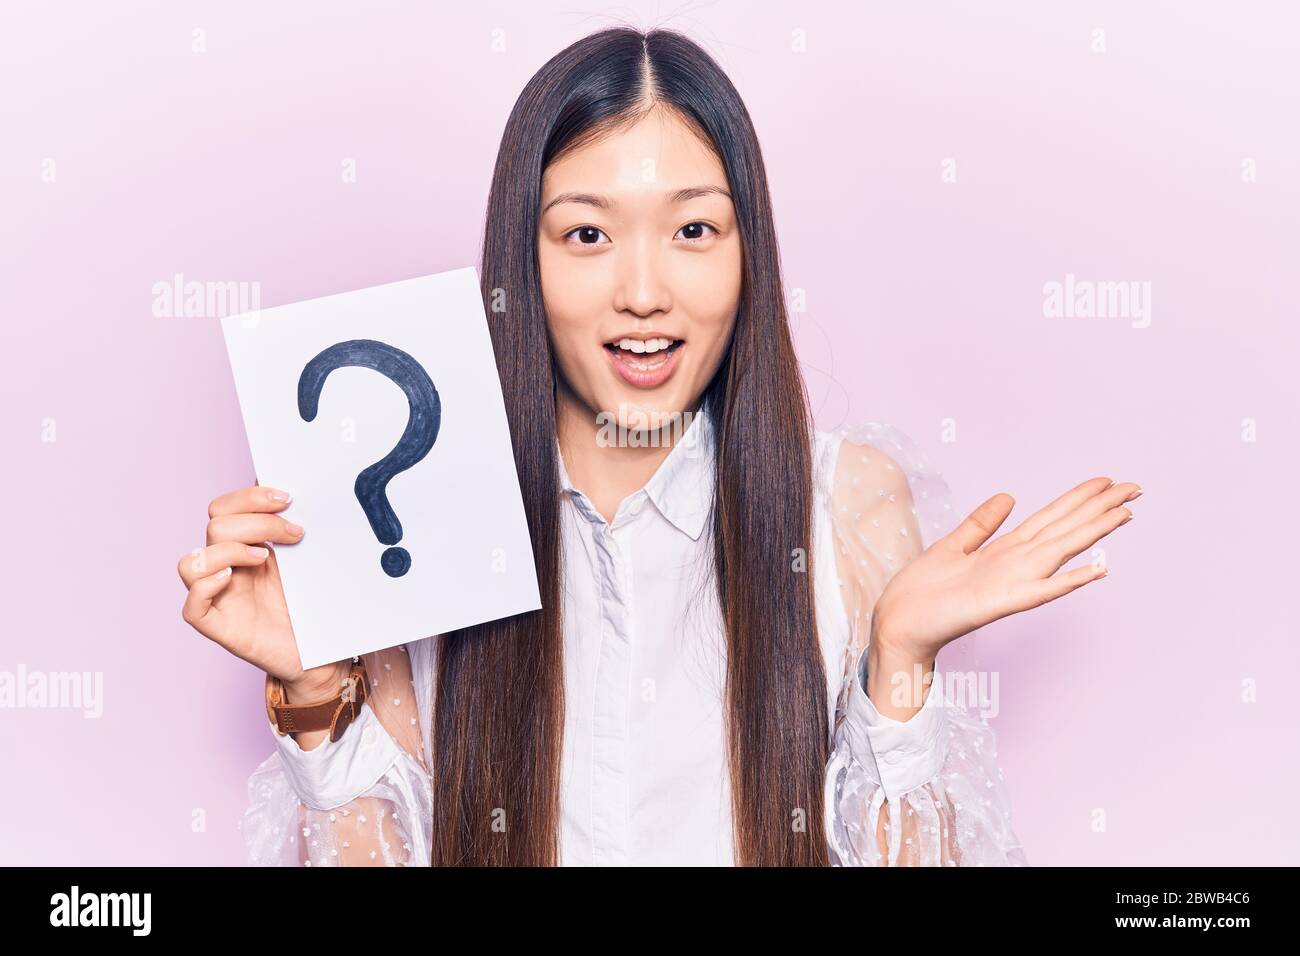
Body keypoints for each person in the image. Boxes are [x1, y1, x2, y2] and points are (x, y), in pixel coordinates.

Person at [177, 26, 1139, 866]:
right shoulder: (417, 527)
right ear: (525, 258)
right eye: (588, 235)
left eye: (692, 227)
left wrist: (900, 658)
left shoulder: (846, 500)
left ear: (746, 247)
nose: (644, 290)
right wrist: (313, 698)